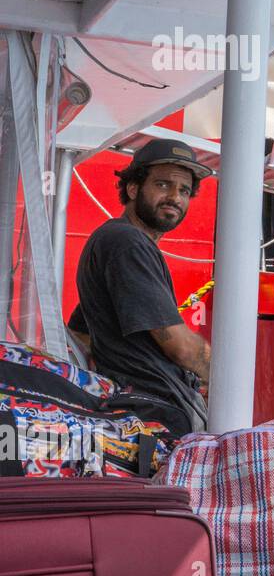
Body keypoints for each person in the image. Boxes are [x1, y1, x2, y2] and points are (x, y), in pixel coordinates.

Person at [67, 139, 213, 434]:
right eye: (162, 185)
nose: (175, 197)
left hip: (138, 407)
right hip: (155, 414)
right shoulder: (127, 243)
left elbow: (81, 331)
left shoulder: (116, 240)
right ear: (133, 189)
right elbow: (181, 347)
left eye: (184, 190)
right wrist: (226, 373)